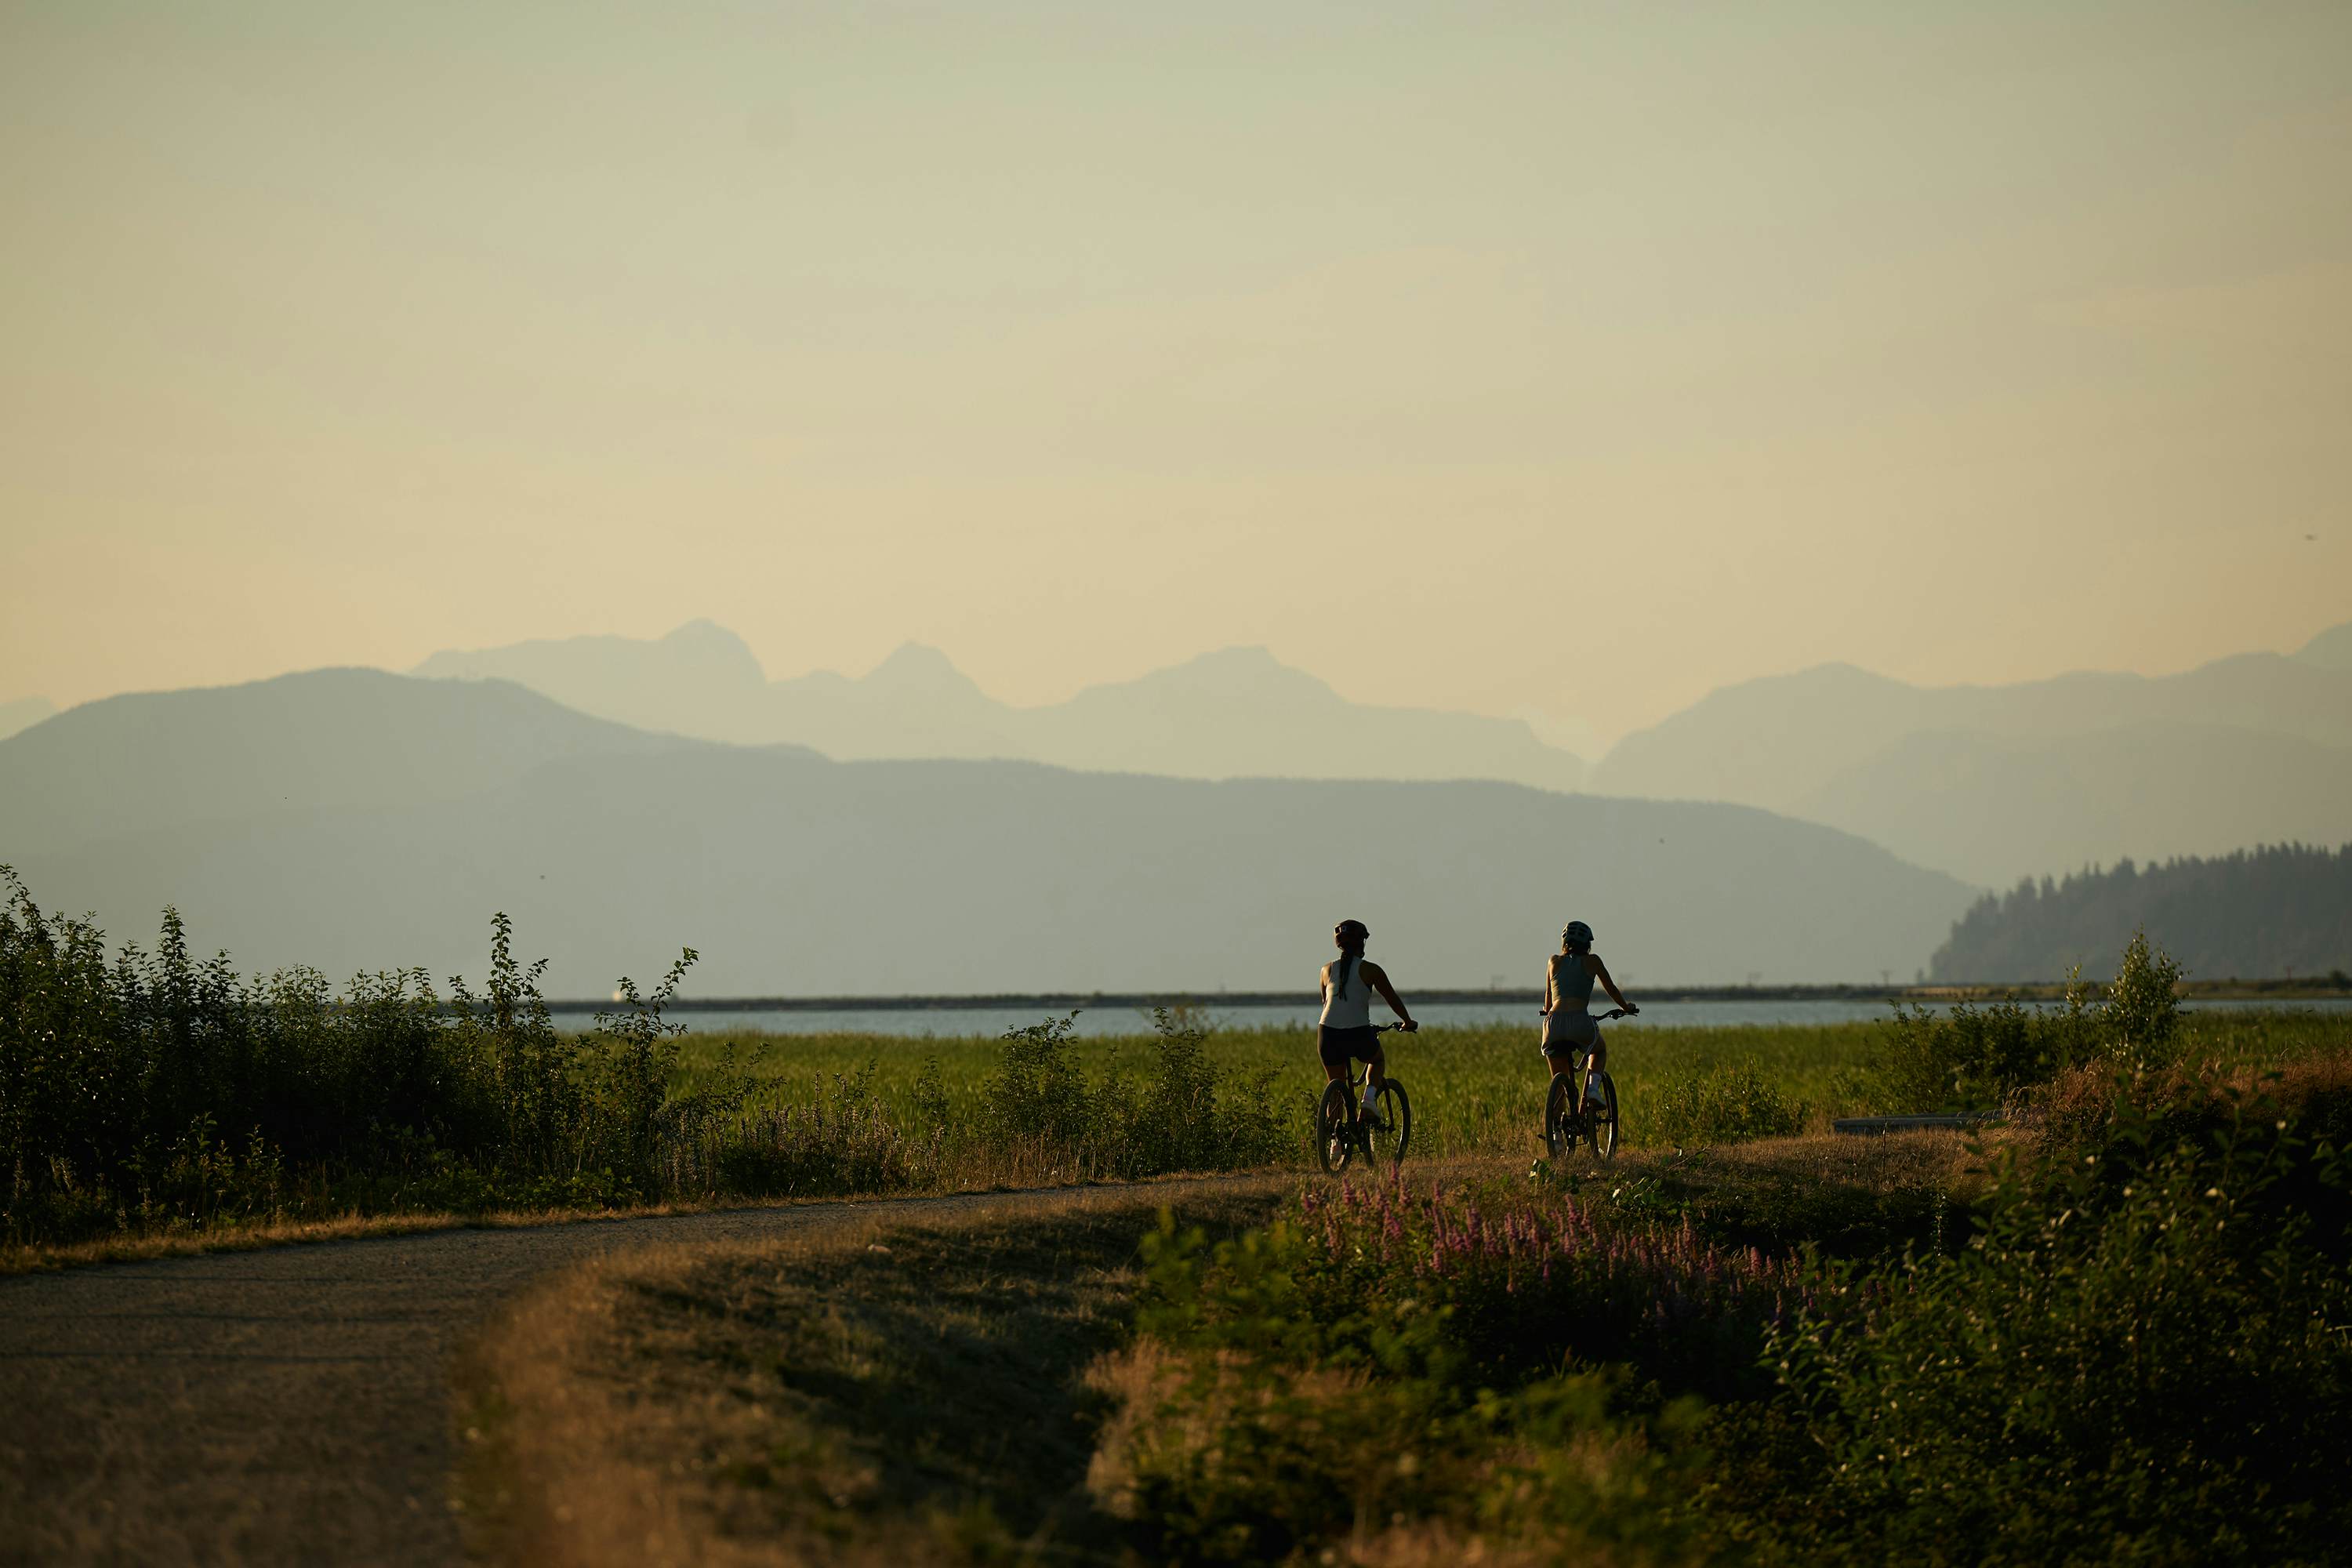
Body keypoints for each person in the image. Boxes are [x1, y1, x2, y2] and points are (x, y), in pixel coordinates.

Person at [1319, 918, 1417, 1127]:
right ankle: (1369, 1100)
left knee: (1336, 1086)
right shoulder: (1371, 970)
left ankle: (1334, 1145)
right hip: (1357, 1032)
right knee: (1377, 1060)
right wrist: (1407, 1021)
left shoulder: (1326, 970)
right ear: (1361, 943)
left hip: (1327, 1034)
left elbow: (1327, 1004)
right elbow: (1392, 999)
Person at [1541, 920, 1635, 1120]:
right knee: (1599, 1050)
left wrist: (1546, 1010)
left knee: (1558, 1086)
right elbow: (1611, 989)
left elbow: (1548, 1001)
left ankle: (1556, 1140)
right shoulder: (1593, 961)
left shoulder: (1553, 961)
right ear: (1588, 944)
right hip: (1579, 1022)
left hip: (1553, 1024)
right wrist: (1626, 1008)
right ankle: (1593, 1089)